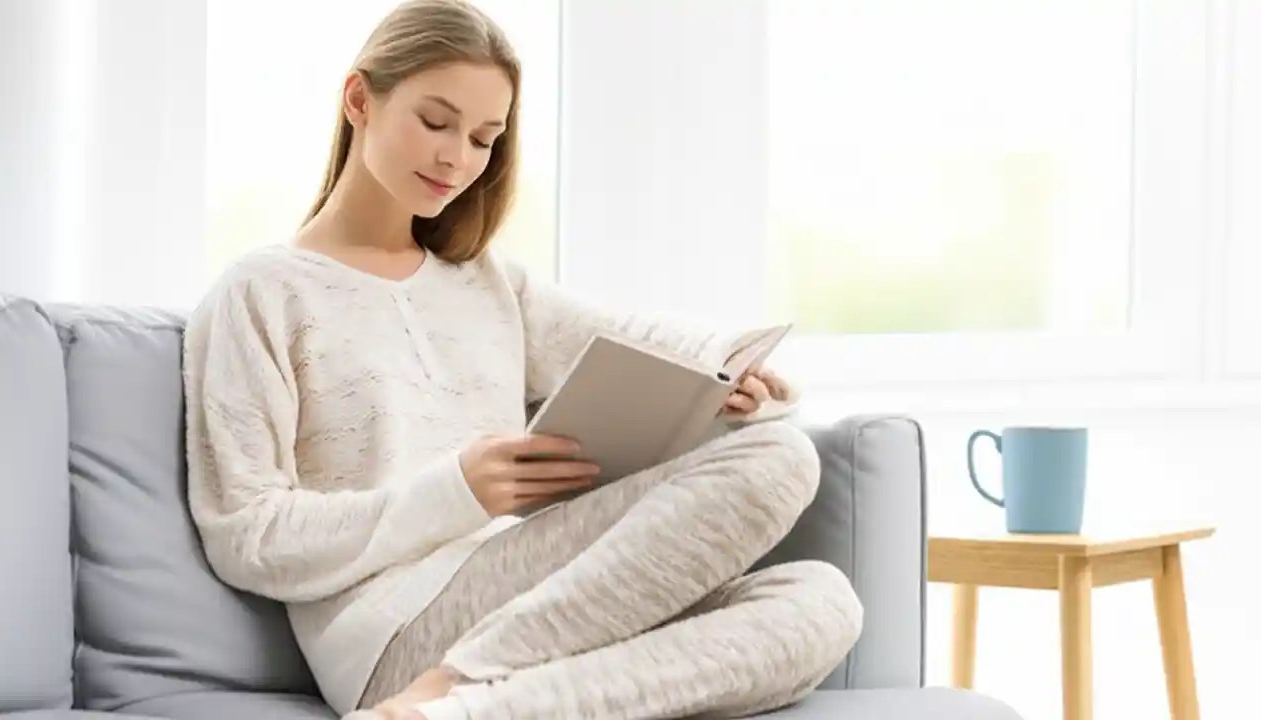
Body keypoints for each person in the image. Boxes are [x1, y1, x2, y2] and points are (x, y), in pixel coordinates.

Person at [181, 1, 863, 719]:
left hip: (543, 602)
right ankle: (457, 685)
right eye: (435, 122)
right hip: (394, 630)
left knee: (821, 600)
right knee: (779, 462)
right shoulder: (261, 291)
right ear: (360, 99)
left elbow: (650, 341)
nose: (456, 158)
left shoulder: (487, 282)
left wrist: (741, 378)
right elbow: (247, 537)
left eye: (483, 138)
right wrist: (457, 491)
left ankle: (459, 711)